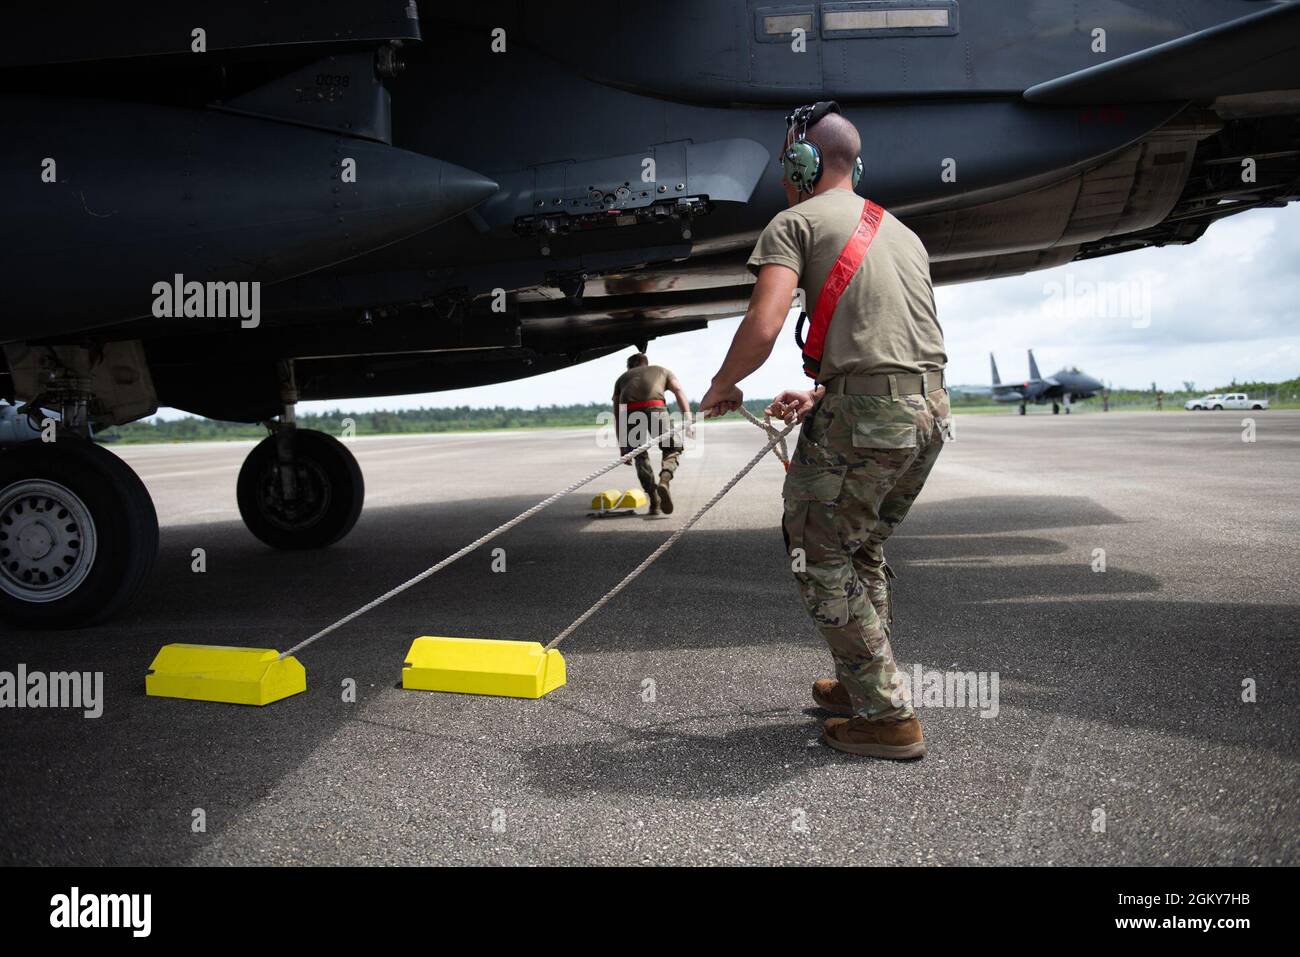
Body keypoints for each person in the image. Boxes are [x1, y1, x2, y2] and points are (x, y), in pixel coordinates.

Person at [699, 102, 950, 759]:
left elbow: (764, 322)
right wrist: (822, 392)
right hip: (927, 415)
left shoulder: (794, 222)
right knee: (857, 540)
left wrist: (724, 385)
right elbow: (893, 341)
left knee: (818, 546)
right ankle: (860, 682)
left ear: (802, 164)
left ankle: (887, 717)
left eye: (788, 163)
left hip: (868, 415)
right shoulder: (901, 231)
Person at [612, 353, 692, 515]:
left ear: (629, 367)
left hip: (630, 412)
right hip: (656, 408)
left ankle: (654, 501)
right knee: (672, 449)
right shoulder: (662, 370)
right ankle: (665, 479)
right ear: (646, 363)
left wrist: (623, 446)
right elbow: (678, 390)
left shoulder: (622, 378)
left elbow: (618, 412)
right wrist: (688, 417)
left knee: (640, 456)